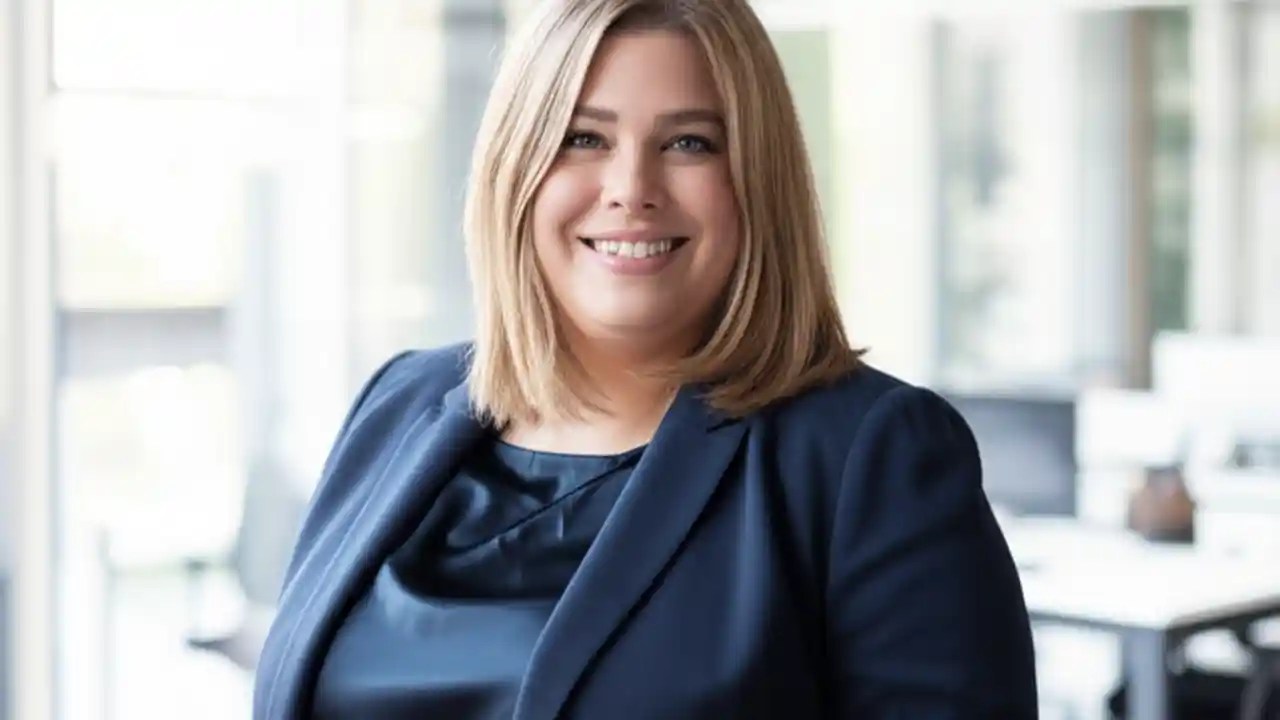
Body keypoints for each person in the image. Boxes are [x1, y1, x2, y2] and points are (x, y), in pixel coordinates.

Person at [253, 0, 1038, 717]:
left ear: (755, 183)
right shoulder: (398, 402)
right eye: (582, 138)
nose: (632, 188)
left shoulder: (871, 456)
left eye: (689, 142)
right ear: (513, 169)